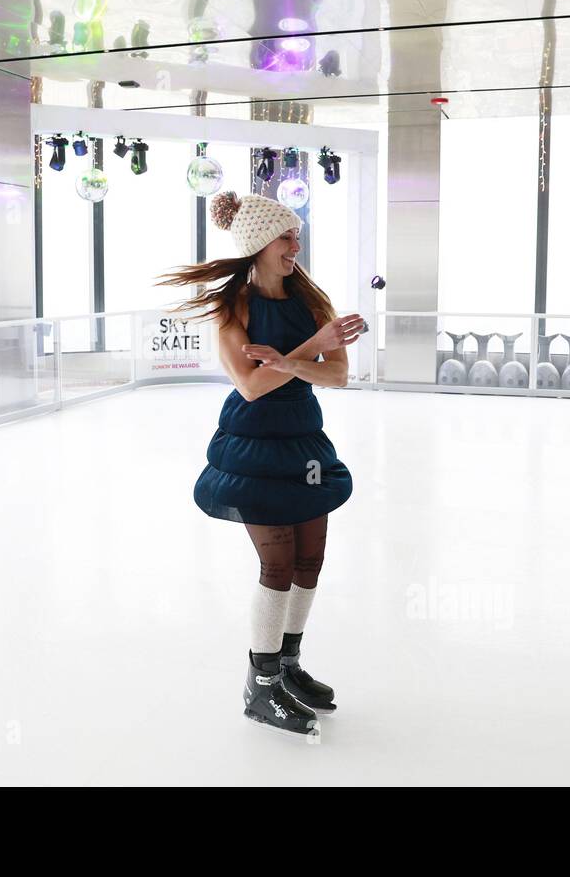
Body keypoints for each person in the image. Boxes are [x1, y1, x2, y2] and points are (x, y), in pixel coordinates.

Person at [157, 190, 365, 738]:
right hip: (254, 444)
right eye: (286, 237)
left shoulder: (313, 301)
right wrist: (307, 353)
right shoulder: (234, 309)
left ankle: (289, 667)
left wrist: (292, 361)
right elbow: (250, 387)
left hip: (302, 440)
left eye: (297, 235)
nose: (296, 245)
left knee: (310, 562)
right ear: (258, 244)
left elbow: (338, 376)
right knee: (277, 566)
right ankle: (261, 684)